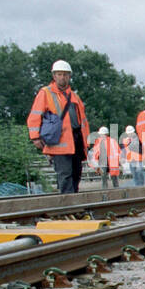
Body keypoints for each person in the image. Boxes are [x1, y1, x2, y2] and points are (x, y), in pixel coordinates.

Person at [27, 60, 91, 194]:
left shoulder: (74, 96)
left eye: (65, 75)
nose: (62, 77)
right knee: (65, 174)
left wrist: (86, 141)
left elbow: (83, 121)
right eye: (59, 74)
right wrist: (35, 137)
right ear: (54, 76)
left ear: (69, 76)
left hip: (76, 141)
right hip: (59, 141)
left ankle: (74, 203)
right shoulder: (46, 93)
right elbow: (35, 114)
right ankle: (67, 206)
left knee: (76, 173)